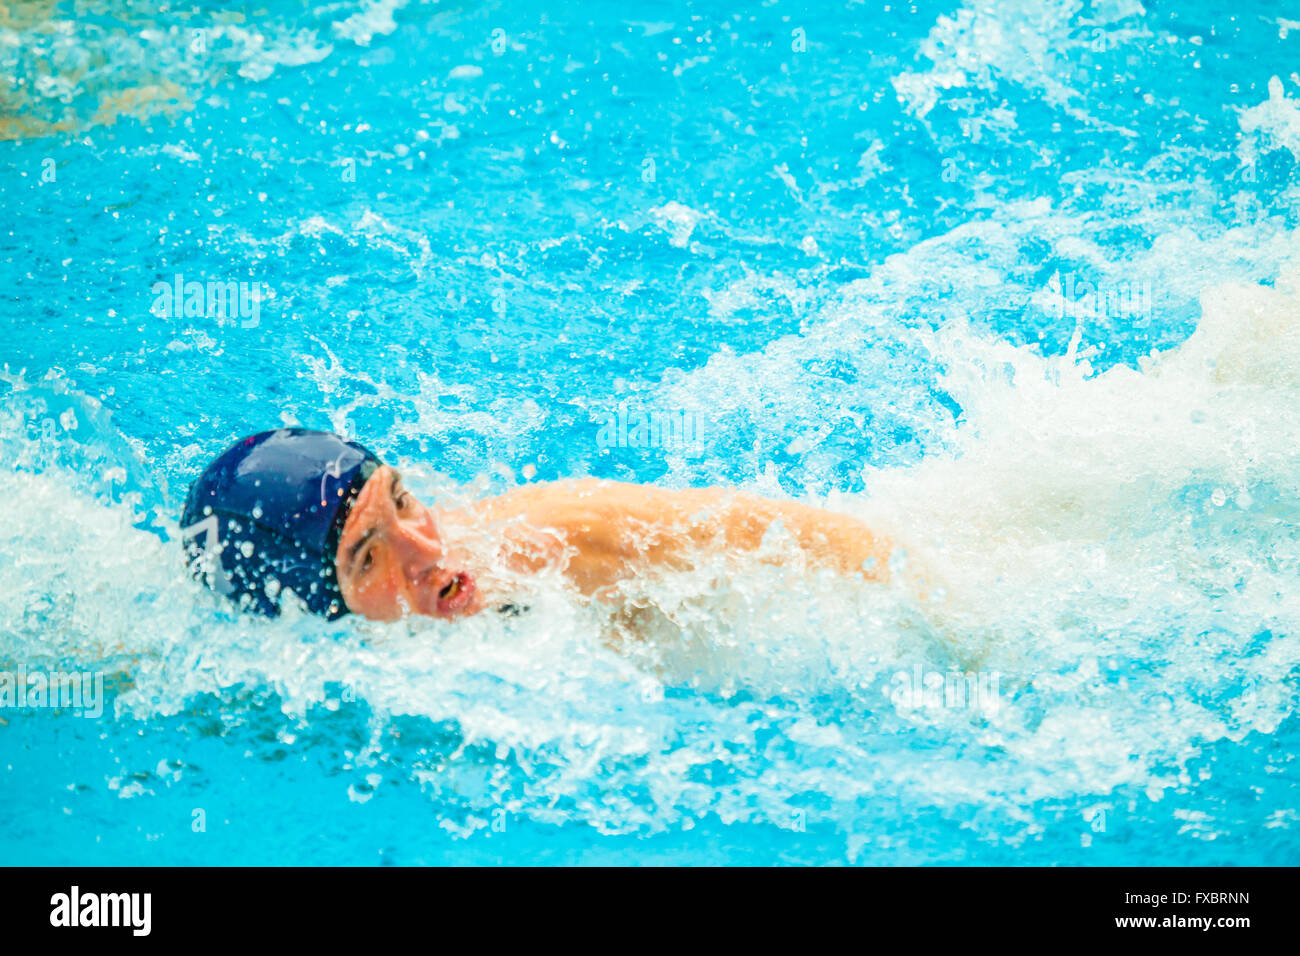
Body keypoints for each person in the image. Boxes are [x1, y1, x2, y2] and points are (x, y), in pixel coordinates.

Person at [181, 428, 896, 623]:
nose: (426, 551)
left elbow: (816, 538)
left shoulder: (549, 542)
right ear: (314, 610)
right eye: (369, 559)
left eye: (402, 501)